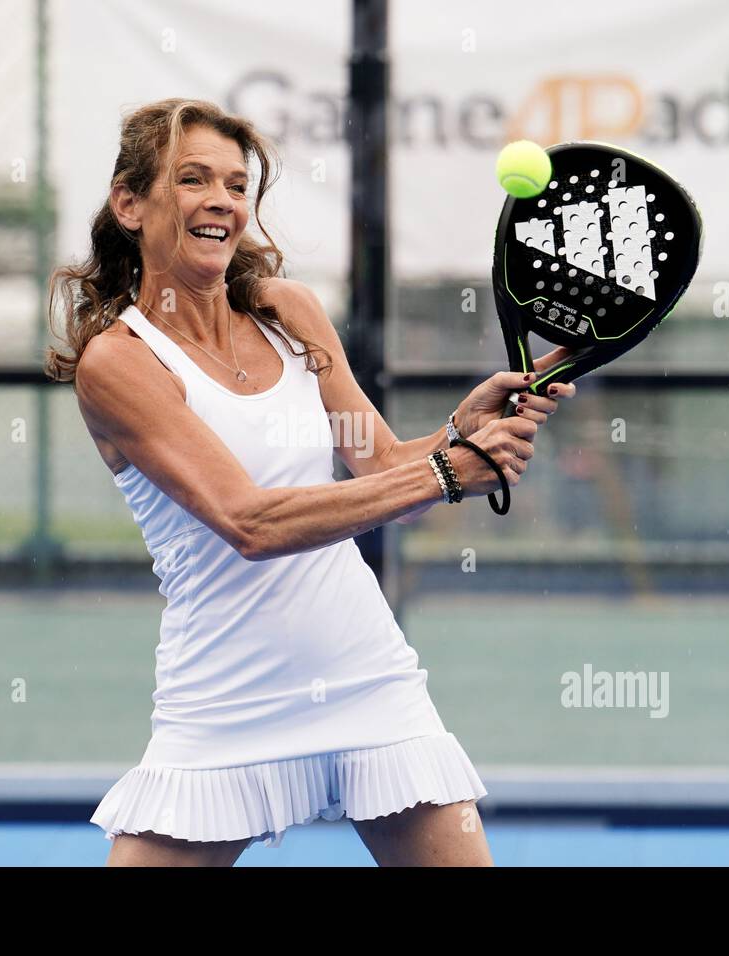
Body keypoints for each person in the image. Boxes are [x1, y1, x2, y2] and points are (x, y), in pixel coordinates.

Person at [44, 98, 575, 866]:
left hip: (366, 677)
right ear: (130, 203)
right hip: (225, 698)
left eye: (236, 184)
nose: (221, 200)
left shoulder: (288, 312)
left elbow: (381, 463)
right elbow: (249, 521)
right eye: (192, 179)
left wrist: (456, 434)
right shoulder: (118, 363)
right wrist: (443, 473)